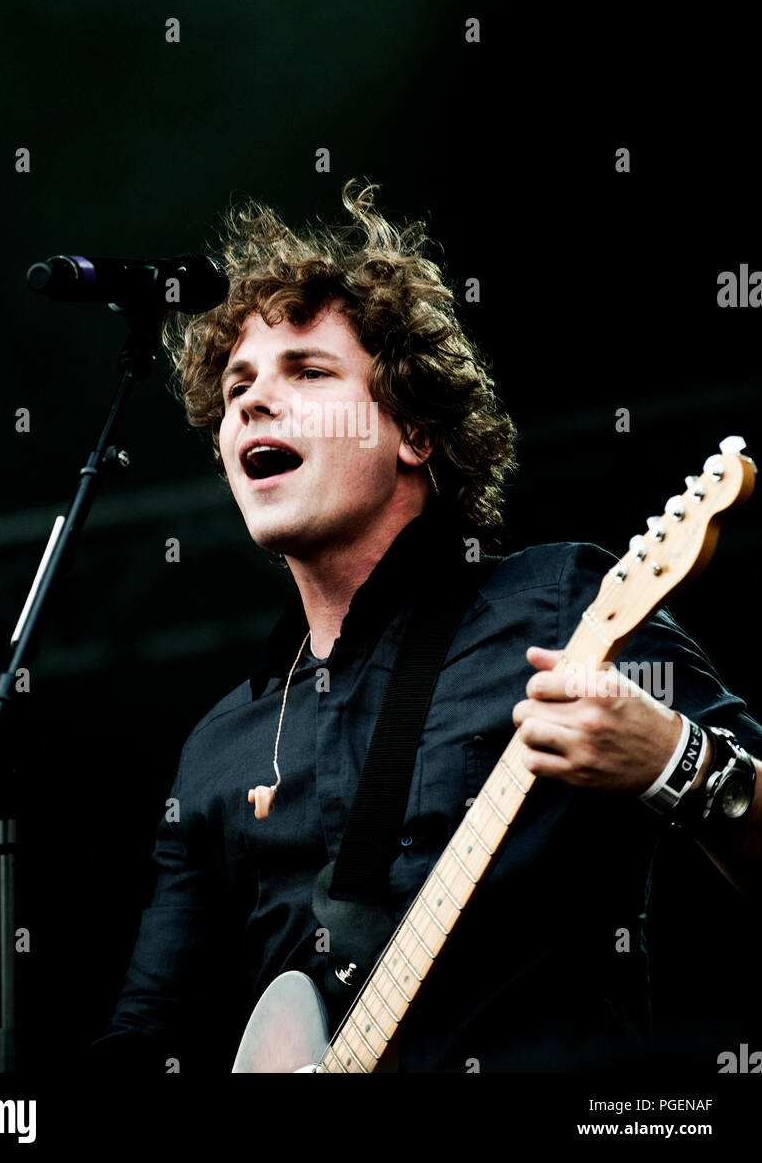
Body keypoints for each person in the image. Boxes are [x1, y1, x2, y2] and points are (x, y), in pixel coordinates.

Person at [92, 180, 762, 1074]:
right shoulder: (219, 747)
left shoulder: (561, 606)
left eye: (308, 372)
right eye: (237, 385)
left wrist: (676, 761)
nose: (250, 402)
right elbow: (145, 1038)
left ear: (411, 428)